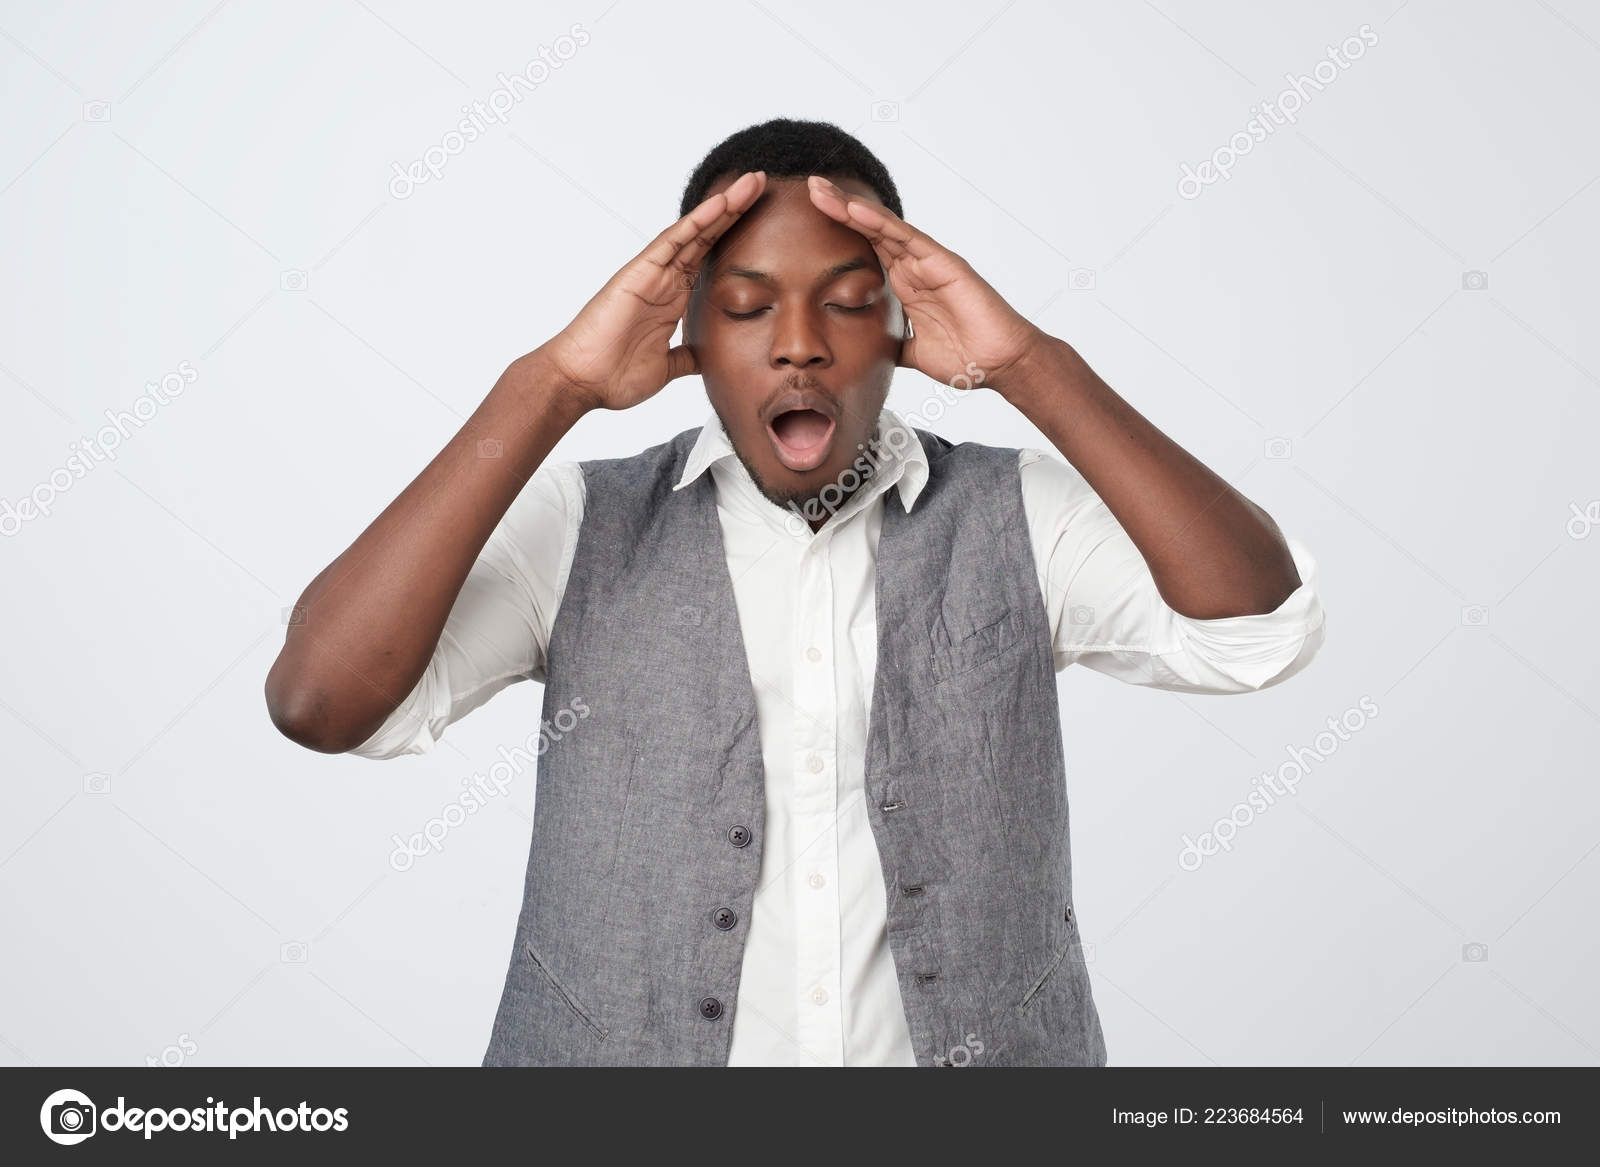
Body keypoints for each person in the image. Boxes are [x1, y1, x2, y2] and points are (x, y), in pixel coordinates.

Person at [264, 117, 1325, 1066]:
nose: (800, 341)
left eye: (851, 303)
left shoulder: (1020, 515)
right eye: (744, 306)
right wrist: (551, 388)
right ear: (690, 336)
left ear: (900, 327)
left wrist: (1028, 365)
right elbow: (323, 701)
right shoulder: (583, 525)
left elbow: (1253, 631)